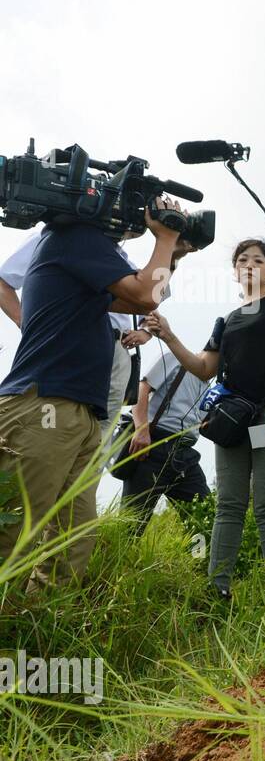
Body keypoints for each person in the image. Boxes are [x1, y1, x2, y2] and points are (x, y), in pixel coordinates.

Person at [0, 200, 185, 586]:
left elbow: (137, 293)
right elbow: (145, 294)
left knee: (73, 539)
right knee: (14, 531)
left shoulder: (86, 252)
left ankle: (30, 628)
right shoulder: (74, 235)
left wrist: (172, 251)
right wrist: (165, 237)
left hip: (80, 410)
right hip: (45, 403)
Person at [145, 239, 265, 599]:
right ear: (235, 271)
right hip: (232, 422)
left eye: (257, 260)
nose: (249, 265)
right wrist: (170, 336)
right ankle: (217, 588)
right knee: (228, 505)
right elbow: (204, 368)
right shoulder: (228, 320)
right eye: (242, 260)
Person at [1, 231, 167, 445]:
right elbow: (3, 281)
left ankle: (85, 479)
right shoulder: (55, 235)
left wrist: (145, 331)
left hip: (116, 347)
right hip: (67, 347)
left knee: (99, 433)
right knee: (54, 425)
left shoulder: (119, 256)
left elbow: (147, 301)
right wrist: (28, 324)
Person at [121, 332, 211, 531]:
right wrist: (142, 430)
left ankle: (200, 561)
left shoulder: (210, 384)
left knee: (204, 519)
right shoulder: (173, 358)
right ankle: (119, 562)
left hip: (185, 454)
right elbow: (141, 389)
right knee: (131, 524)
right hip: (152, 447)